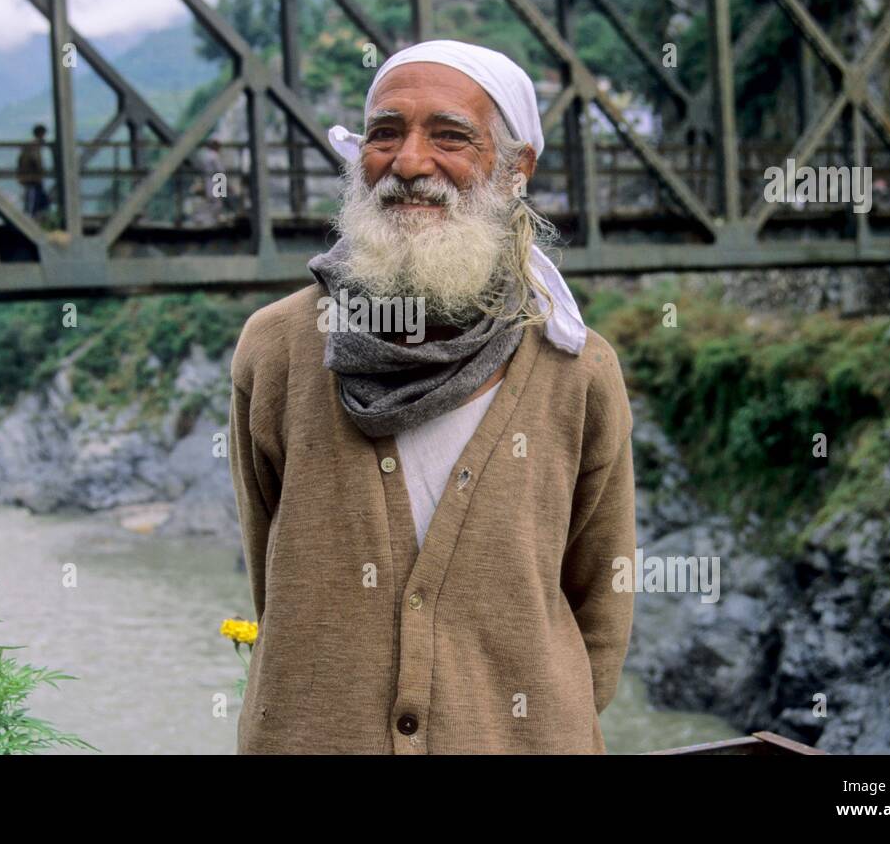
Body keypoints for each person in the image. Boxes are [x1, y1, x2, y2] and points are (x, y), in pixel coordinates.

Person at [228, 39, 636, 754]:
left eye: (450, 136)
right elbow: (275, 576)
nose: (410, 163)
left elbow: (601, 602)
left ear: (515, 170)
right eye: (385, 133)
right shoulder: (278, 350)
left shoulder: (576, 370)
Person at [16, 124, 48, 218]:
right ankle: (32, 216)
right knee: (35, 198)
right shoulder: (34, 146)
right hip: (32, 177)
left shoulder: (31, 145)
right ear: (41, 134)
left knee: (33, 197)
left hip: (30, 176)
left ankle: (31, 215)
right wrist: (40, 171)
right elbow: (34, 159)